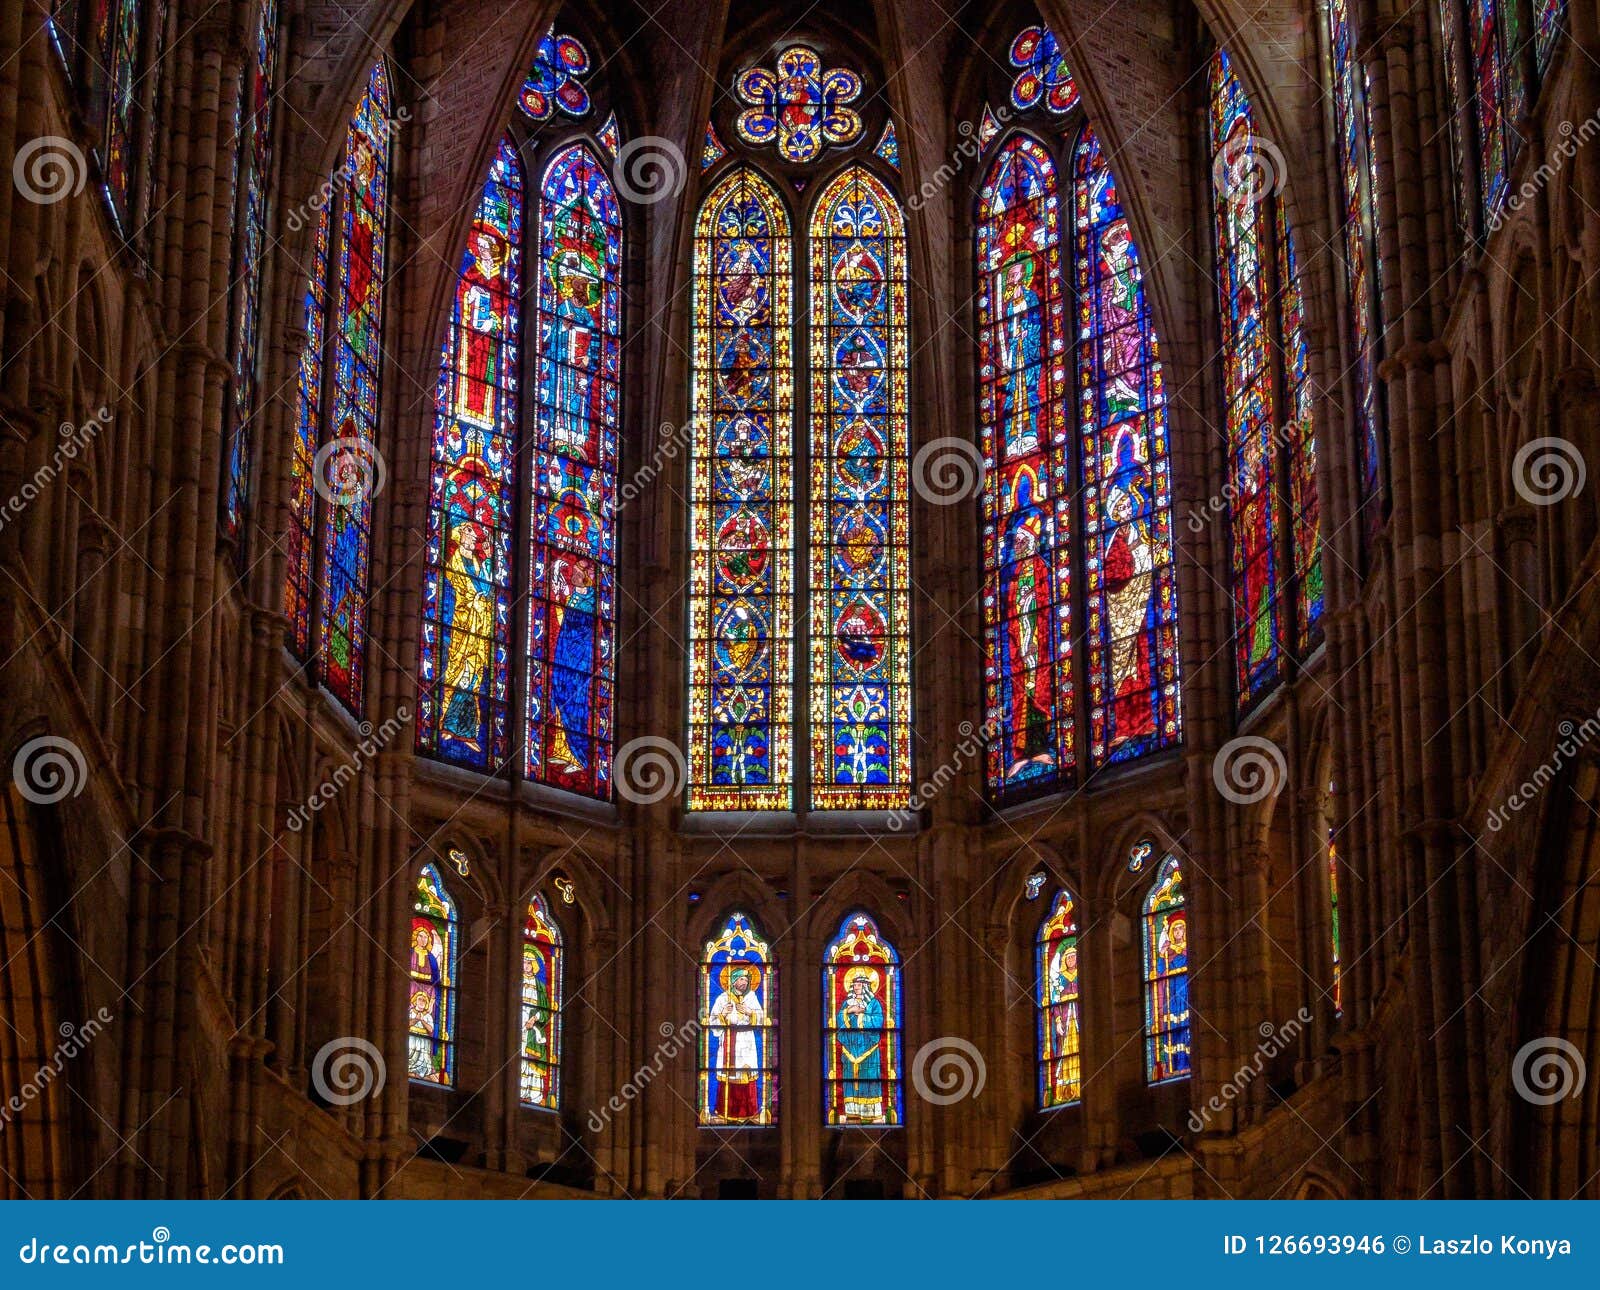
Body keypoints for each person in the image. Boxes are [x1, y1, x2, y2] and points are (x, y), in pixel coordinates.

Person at [705, 964, 768, 1123]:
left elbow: (762, 1019)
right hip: (728, 1040)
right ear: (733, 981)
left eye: (746, 979)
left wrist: (749, 1012)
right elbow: (712, 1022)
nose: (744, 982)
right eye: (741, 979)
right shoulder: (722, 998)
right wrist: (722, 1015)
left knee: (746, 1076)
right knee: (728, 1076)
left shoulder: (751, 997)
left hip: (746, 1041)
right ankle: (724, 1113)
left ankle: (750, 1113)